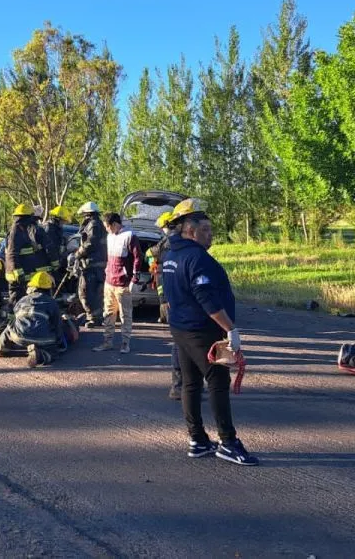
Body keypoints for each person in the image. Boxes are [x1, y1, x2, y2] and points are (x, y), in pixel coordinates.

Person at [162, 198, 258, 466]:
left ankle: (198, 439)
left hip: (180, 328)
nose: (210, 234)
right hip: (202, 330)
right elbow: (206, 299)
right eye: (205, 229)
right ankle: (228, 442)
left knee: (190, 384)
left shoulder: (171, 254)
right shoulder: (196, 258)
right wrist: (231, 329)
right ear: (190, 230)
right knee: (217, 383)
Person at [147, 212, 184, 399]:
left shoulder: (168, 243)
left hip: (171, 294)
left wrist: (152, 261)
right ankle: (180, 386)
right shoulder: (175, 242)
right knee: (181, 344)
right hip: (176, 296)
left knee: (179, 344)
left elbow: (153, 252)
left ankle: (179, 386)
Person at [0, 271, 65, 368]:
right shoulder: (52, 302)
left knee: (10, 326)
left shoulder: (22, 299)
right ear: (49, 288)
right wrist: (59, 342)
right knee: (53, 353)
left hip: (19, 337)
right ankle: (40, 355)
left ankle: (1, 347)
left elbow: (13, 317)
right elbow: (57, 325)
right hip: (42, 339)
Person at [94, 212, 139, 354]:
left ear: (114, 224)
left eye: (107, 226)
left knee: (125, 315)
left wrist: (134, 279)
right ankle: (107, 342)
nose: (106, 229)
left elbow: (138, 258)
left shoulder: (130, 236)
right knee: (108, 313)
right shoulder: (109, 236)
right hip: (109, 282)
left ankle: (125, 343)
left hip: (123, 284)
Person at [4, 203, 50, 305]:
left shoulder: (22, 230)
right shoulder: (15, 231)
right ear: (25, 218)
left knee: (24, 302)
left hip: (22, 274)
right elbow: (12, 254)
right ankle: (14, 320)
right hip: (16, 276)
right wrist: (19, 273)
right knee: (16, 302)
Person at [74, 202, 107, 328]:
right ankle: (95, 318)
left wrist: (78, 254)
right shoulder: (98, 224)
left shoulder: (93, 225)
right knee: (95, 293)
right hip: (97, 265)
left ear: (87, 213)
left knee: (85, 292)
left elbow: (90, 243)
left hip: (92, 265)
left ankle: (93, 318)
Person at [41, 206, 70, 285]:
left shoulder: (56, 228)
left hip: (53, 262)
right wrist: (55, 262)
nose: (64, 223)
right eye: (63, 221)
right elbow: (50, 248)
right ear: (58, 219)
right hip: (46, 263)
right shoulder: (49, 229)